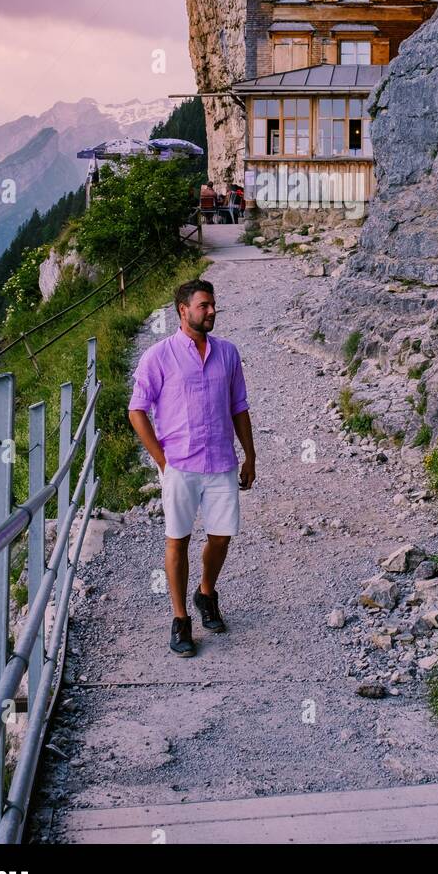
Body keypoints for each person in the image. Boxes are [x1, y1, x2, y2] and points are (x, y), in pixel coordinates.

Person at [127, 279, 256, 657]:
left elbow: (239, 407)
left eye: (213, 305)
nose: (212, 311)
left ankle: (205, 593)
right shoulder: (158, 356)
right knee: (177, 539)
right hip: (180, 464)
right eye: (204, 306)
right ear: (182, 310)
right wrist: (161, 459)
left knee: (221, 537)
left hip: (220, 462)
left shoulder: (228, 353)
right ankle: (181, 619)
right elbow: (137, 409)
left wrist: (250, 455)